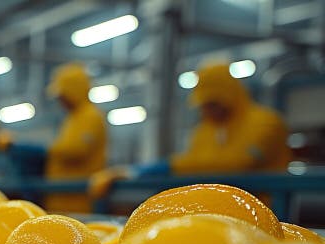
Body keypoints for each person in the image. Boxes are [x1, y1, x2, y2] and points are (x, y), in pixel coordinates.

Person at [90, 63, 291, 197]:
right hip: (221, 210)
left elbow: (238, 162)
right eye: (203, 105)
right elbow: (196, 160)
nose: (207, 110)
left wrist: (166, 166)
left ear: (229, 97)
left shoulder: (266, 122)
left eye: (212, 103)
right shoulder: (204, 130)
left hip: (268, 211)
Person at [44, 63, 107, 212]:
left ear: (73, 91)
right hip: (63, 198)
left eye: (62, 94)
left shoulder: (89, 115)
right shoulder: (73, 118)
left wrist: (47, 150)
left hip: (77, 200)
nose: (60, 100)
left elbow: (76, 149)